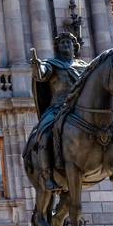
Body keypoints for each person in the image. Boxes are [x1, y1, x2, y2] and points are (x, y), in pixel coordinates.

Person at [28, 32, 88, 191]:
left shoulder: (84, 66)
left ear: (74, 47)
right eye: (62, 43)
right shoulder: (52, 64)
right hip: (57, 108)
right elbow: (41, 74)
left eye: (68, 43)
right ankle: (47, 175)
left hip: (80, 109)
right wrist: (36, 66)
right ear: (58, 48)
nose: (65, 45)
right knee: (44, 134)